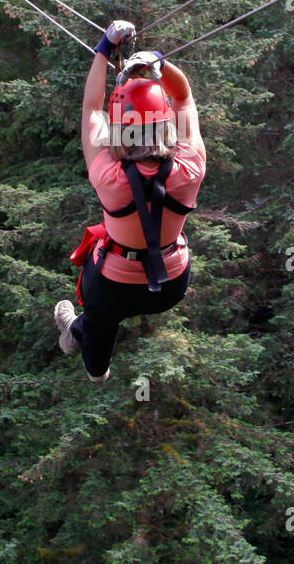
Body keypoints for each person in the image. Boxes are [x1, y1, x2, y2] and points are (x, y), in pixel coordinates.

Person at [53, 20, 206, 382]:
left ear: (119, 126)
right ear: (165, 121)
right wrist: (158, 63)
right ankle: (79, 330)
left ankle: (95, 366)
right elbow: (183, 97)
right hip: (171, 284)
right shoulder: (190, 167)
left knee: (99, 324)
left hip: (113, 287)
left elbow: (92, 110)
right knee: (102, 309)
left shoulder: (109, 176)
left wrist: (105, 47)